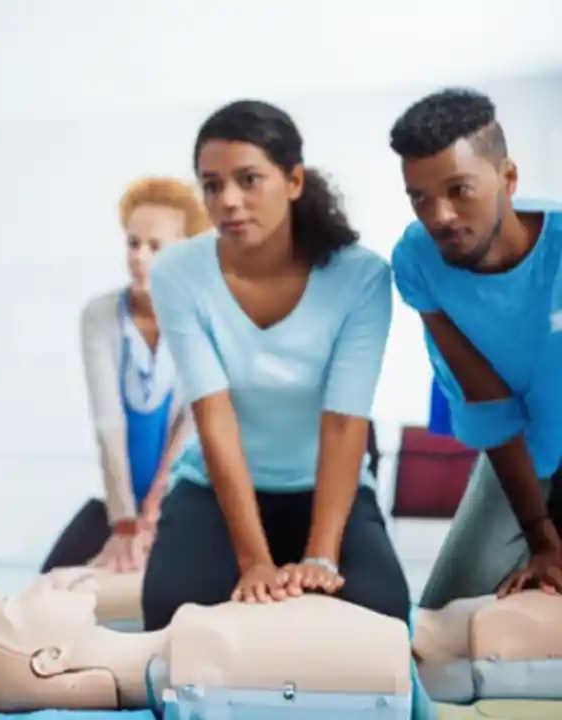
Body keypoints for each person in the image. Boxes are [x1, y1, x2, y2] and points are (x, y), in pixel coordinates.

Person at [140, 100, 410, 632]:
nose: (229, 202)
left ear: (293, 181)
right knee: (175, 606)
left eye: (248, 180)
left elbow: (343, 422)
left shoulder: (362, 278)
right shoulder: (177, 273)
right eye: (212, 185)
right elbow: (214, 417)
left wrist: (321, 558)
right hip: (214, 490)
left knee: (381, 613)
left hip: (328, 488)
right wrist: (253, 562)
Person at [387, 88, 562, 608]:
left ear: (507, 179)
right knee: (444, 616)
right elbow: (487, 401)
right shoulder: (418, 260)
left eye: (459, 189)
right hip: (521, 455)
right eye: (419, 197)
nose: (438, 215)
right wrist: (541, 536)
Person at [40, 178, 209, 574]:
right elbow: (108, 423)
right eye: (133, 243)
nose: (139, 257)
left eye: (155, 246)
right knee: (50, 579)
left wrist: (154, 512)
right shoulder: (99, 316)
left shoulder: (202, 321)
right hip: (118, 505)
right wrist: (125, 521)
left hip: (182, 497)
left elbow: (190, 424)